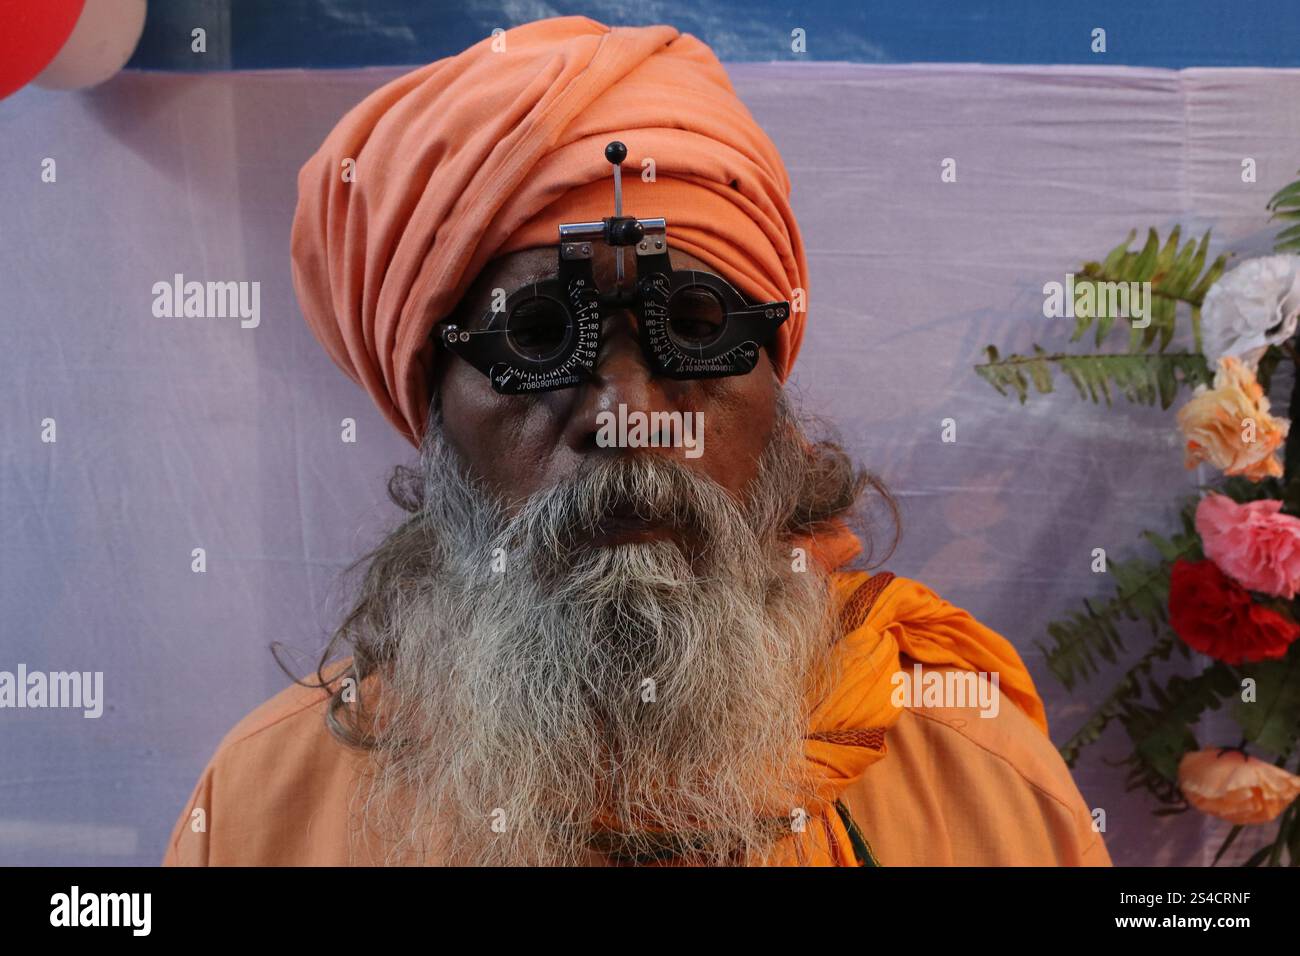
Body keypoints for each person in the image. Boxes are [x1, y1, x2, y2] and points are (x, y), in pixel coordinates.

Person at [162, 15, 1110, 867]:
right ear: (434, 418)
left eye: (694, 328)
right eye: (536, 339)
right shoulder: (263, 809)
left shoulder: (979, 780)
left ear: (775, 394)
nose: (624, 414)